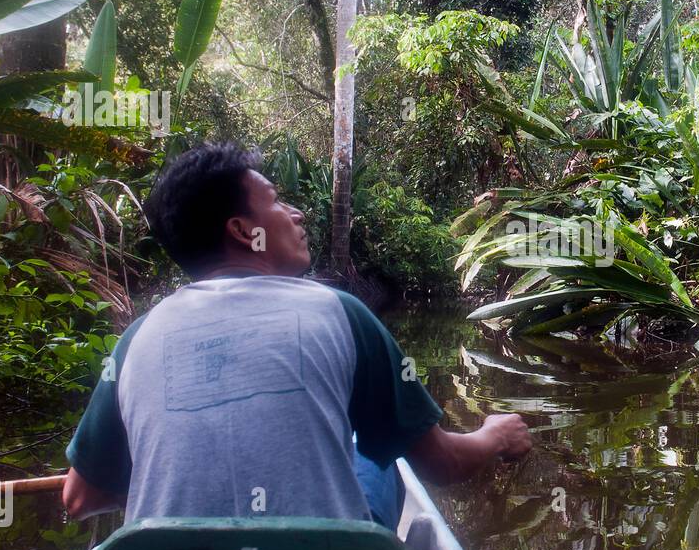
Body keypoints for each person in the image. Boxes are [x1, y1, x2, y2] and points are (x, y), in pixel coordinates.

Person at [61, 143, 531, 527]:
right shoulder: (340, 312)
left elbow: (80, 499)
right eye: (276, 202)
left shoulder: (137, 339)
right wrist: (494, 436)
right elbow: (444, 464)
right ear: (243, 232)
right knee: (374, 456)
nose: (297, 214)